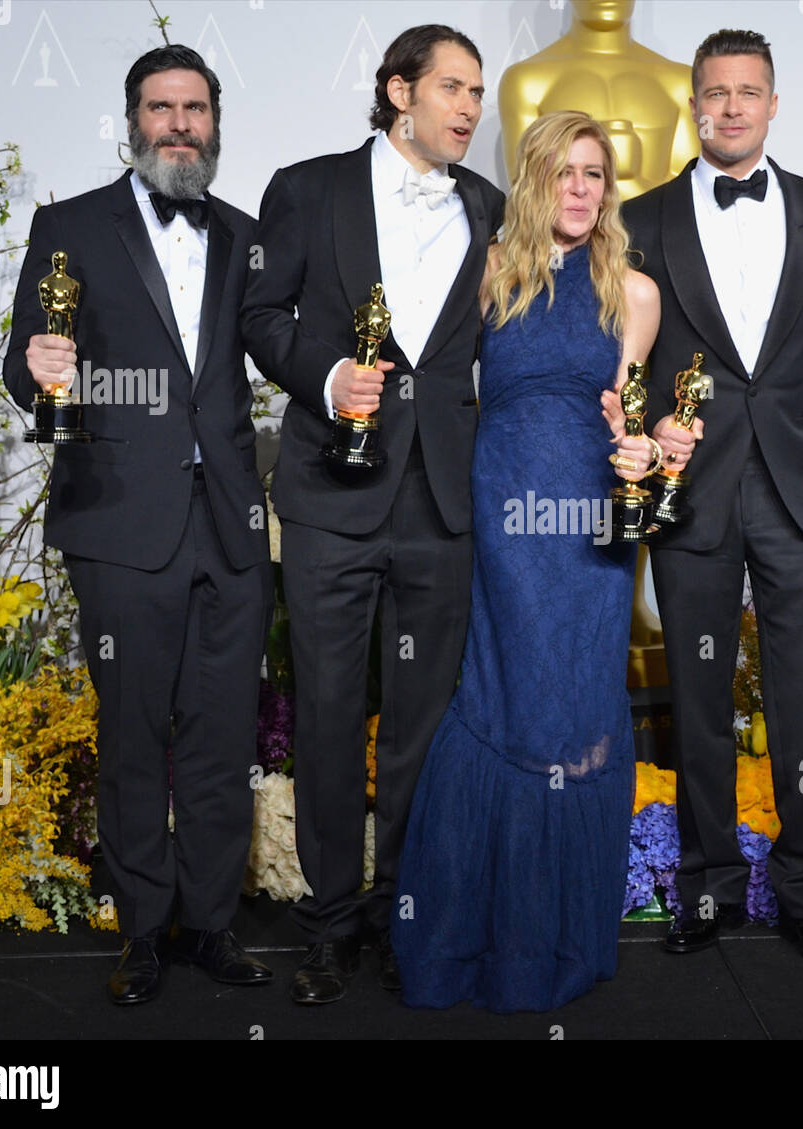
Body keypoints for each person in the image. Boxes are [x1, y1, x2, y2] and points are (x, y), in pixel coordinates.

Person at [239, 25, 505, 1005]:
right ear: (400, 91)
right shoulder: (306, 189)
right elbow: (261, 316)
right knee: (326, 712)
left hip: (443, 504)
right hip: (330, 501)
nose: (470, 108)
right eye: (452, 88)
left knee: (423, 727)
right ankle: (326, 923)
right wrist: (325, 373)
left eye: (478, 91)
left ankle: (404, 912)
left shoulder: (489, 206)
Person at [3, 44, 273, 1004]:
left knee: (218, 736)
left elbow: (284, 347)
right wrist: (37, 365)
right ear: (132, 121)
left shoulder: (245, 236)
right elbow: (23, 360)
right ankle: (142, 930)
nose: (178, 125)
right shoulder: (68, 226)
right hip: (121, 526)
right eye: (161, 108)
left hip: (233, 531)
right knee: (132, 736)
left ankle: (209, 924)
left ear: (213, 123)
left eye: (195, 109)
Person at [392, 110, 661, 1013]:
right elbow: (438, 391)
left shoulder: (634, 290)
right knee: (503, 694)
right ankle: (468, 937)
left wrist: (647, 456)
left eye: (596, 174)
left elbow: (628, 417)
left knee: (580, 706)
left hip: (591, 524)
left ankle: (555, 938)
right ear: (535, 179)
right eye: (566, 172)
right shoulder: (489, 274)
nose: (582, 189)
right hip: (505, 513)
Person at [621, 30, 803, 964]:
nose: (729, 107)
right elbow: (625, 357)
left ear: (772, 102)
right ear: (692, 103)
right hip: (694, 488)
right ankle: (709, 886)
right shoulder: (641, 218)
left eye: (746, 92)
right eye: (713, 92)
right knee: (701, 696)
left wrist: (779, 397)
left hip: (796, 480)